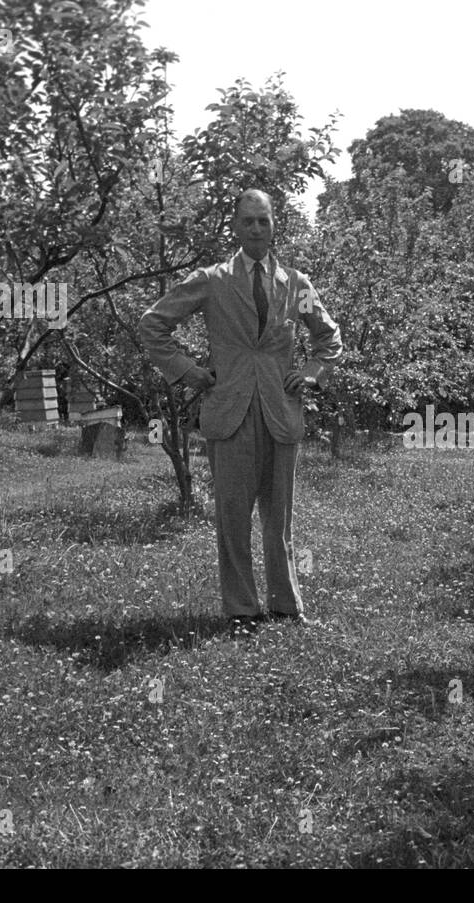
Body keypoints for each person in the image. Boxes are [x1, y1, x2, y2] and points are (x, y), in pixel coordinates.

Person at [139, 188, 343, 637]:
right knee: (232, 517)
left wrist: (311, 373)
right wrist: (188, 372)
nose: (256, 229)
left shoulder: (296, 284)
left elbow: (329, 340)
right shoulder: (212, 279)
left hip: (280, 412)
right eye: (248, 221)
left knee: (280, 517)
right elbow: (153, 324)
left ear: (274, 226)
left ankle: (286, 606)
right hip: (228, 412)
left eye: (263, 221)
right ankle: (241, 610)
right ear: (235, 226)